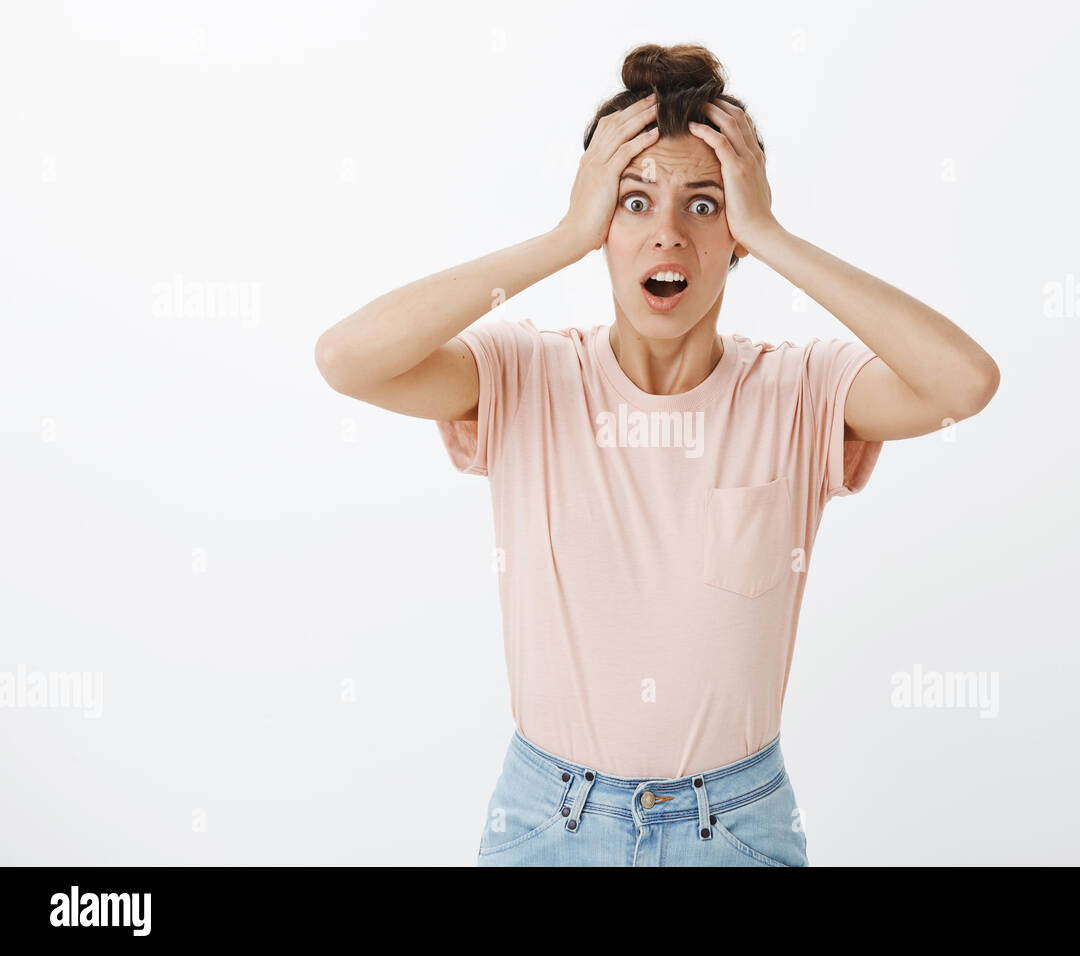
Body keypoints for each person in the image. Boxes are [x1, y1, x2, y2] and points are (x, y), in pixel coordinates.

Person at [314, 43, 999, 866]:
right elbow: (346, 358)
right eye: (634, 203)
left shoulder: (801, 390)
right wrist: (567, 233)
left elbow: (965, 383)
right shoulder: (526, 374)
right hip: (545, 825)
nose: (666, 235)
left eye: (703, 207)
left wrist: (772, 234)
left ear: (736, 233)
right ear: (604, 226)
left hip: (737, 828)